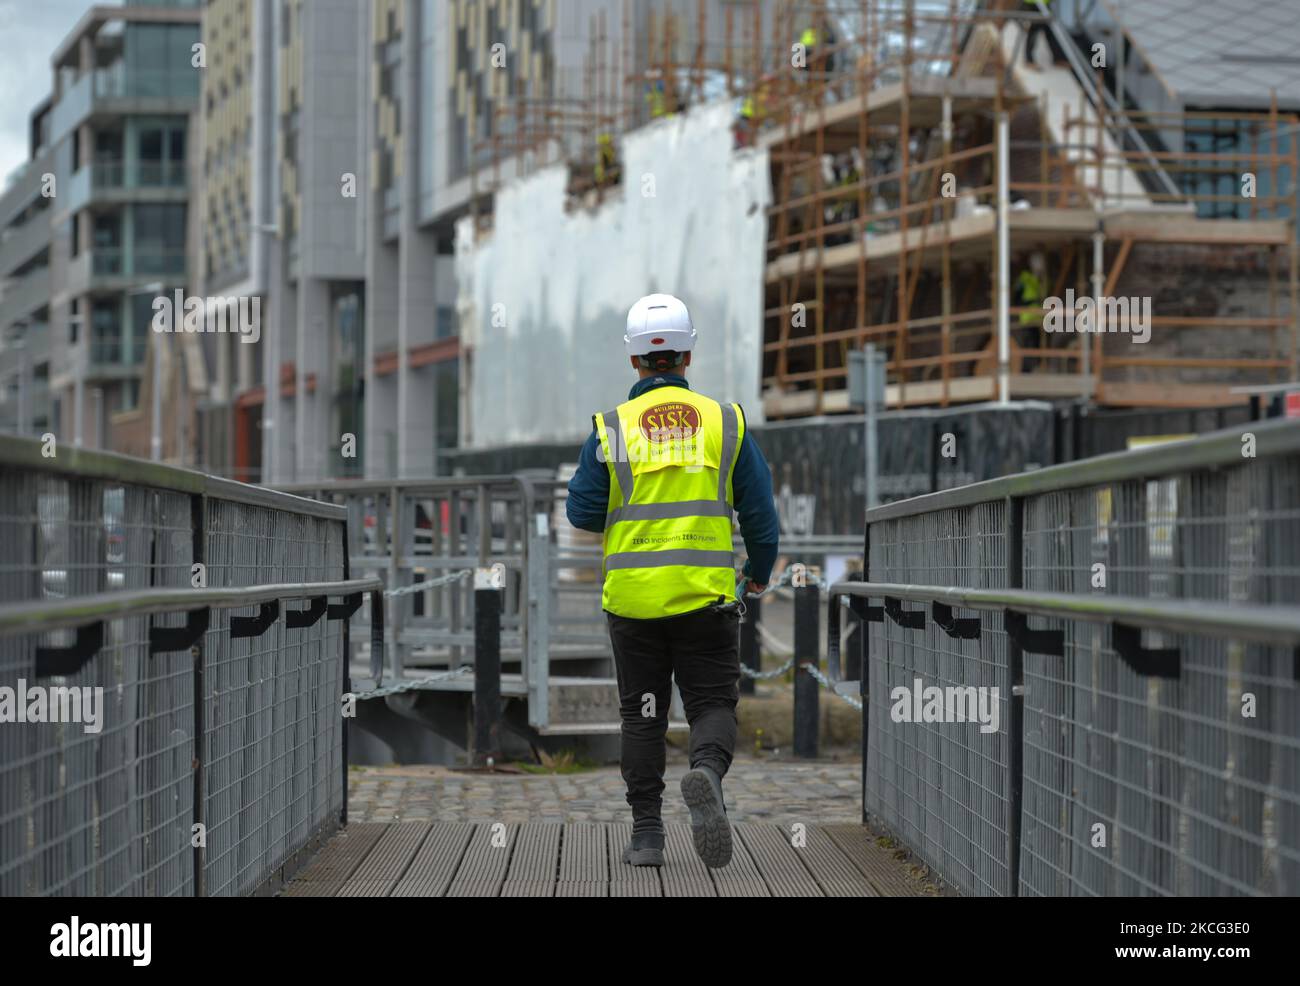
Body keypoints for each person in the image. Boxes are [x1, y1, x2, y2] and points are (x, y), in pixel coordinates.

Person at [566, 294, 780, 869]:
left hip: (633, 605)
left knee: (642, 715)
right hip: (705, 600)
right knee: (712, 703)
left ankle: (647, 838)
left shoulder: (611, 427)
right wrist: (757, 574)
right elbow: (760, 514)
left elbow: (582, 512)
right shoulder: (725, 421)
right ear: (687, 352)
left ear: (634, 361)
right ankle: (706, 772)